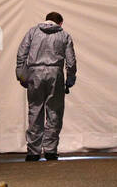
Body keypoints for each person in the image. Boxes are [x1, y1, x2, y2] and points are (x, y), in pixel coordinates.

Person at [15, 12, 77, 161]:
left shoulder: (32, 32)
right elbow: (71, 61)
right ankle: (50, 150)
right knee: (54, 111)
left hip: (35, 73)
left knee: (35, 110)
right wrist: (70, 79)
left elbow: (21, 54)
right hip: (55, 73)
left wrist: (22, 76)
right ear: (60, 23)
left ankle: (33, 152)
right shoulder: (64, 35)